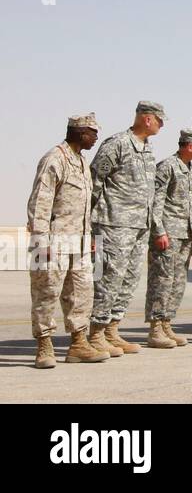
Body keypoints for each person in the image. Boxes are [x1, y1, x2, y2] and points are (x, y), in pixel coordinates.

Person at [27, 114, 109, 369]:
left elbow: (84, 206)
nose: (95, 138)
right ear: (79, 132)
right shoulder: (55, 159)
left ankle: (78, 343)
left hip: (80, 243)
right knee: (47, 293)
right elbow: (40, 201)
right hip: (54, 242)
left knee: (82, 293)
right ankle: (44, 345)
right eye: (92, 132)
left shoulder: (82, 162)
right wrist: (41, 240)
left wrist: (91, 237)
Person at [89, 100, 166, 357]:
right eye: (159, 120)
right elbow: (95, 181)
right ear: (147, 118)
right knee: (108, 278)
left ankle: (112, 329)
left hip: (138, 226)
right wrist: (90, 223)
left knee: (128, 279)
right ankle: (95, 333)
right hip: (113, 224)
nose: (161, 125)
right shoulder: (118, 144)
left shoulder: (147, 148)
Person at [144, 129, 192, 349]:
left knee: (178, 281)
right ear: (189, 145)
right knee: (161, 280)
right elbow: (155, 203)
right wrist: (159, 231)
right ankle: (155, 328)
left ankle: (167, 322)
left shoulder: (191, 169)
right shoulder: (167, 166)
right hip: (168, 233)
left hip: (184, 233)